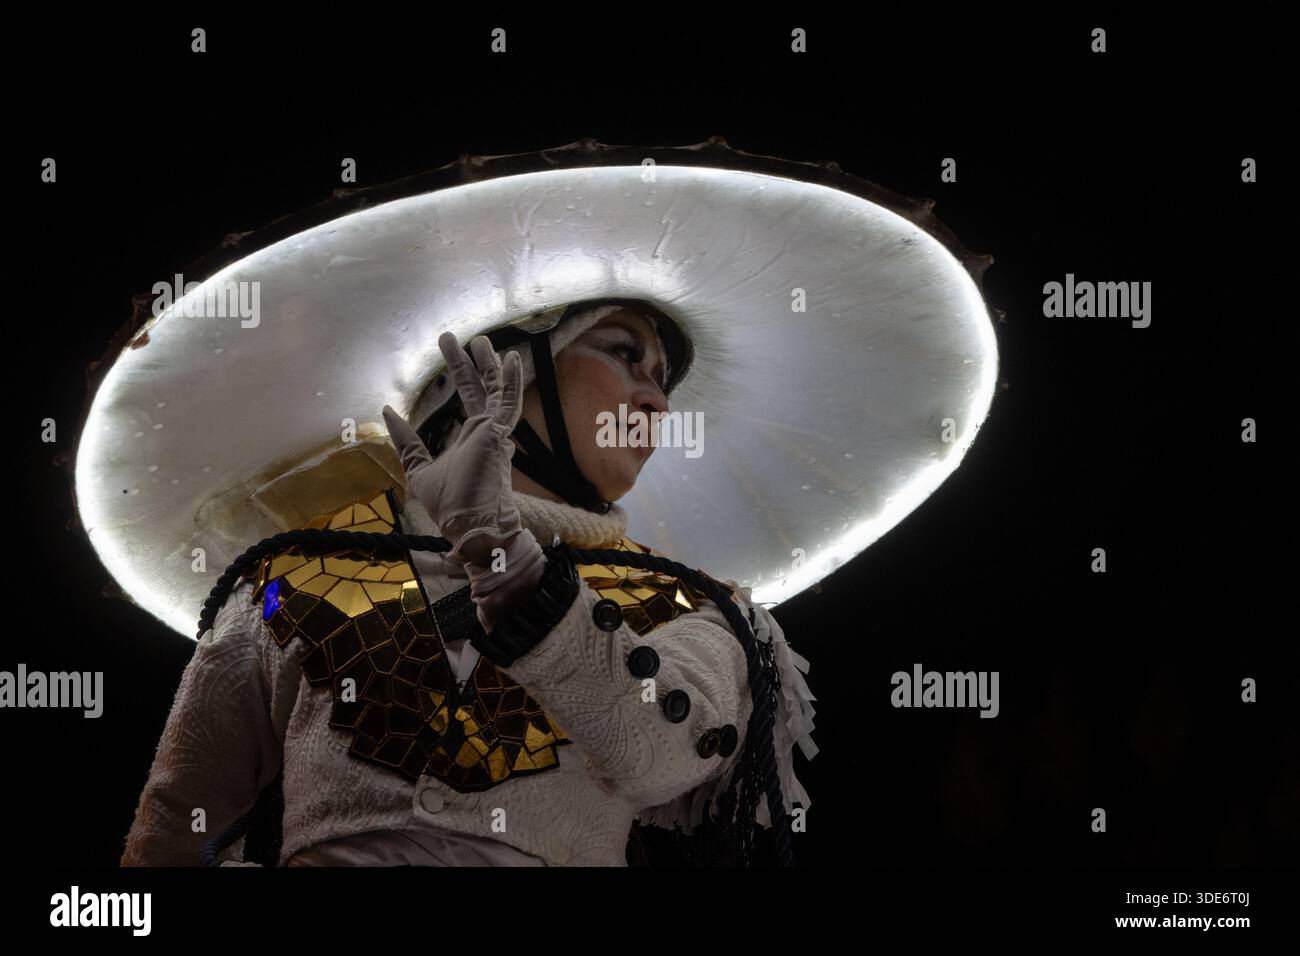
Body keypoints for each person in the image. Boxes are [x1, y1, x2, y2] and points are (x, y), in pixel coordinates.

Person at [119, 299, 817, 867]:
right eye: (624, 352)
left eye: (664, 378)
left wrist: (503, 556)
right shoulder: (289, 578)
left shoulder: (696, 605)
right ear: (508, 362)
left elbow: (657, 757)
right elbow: (173, 834)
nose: (657, 404)